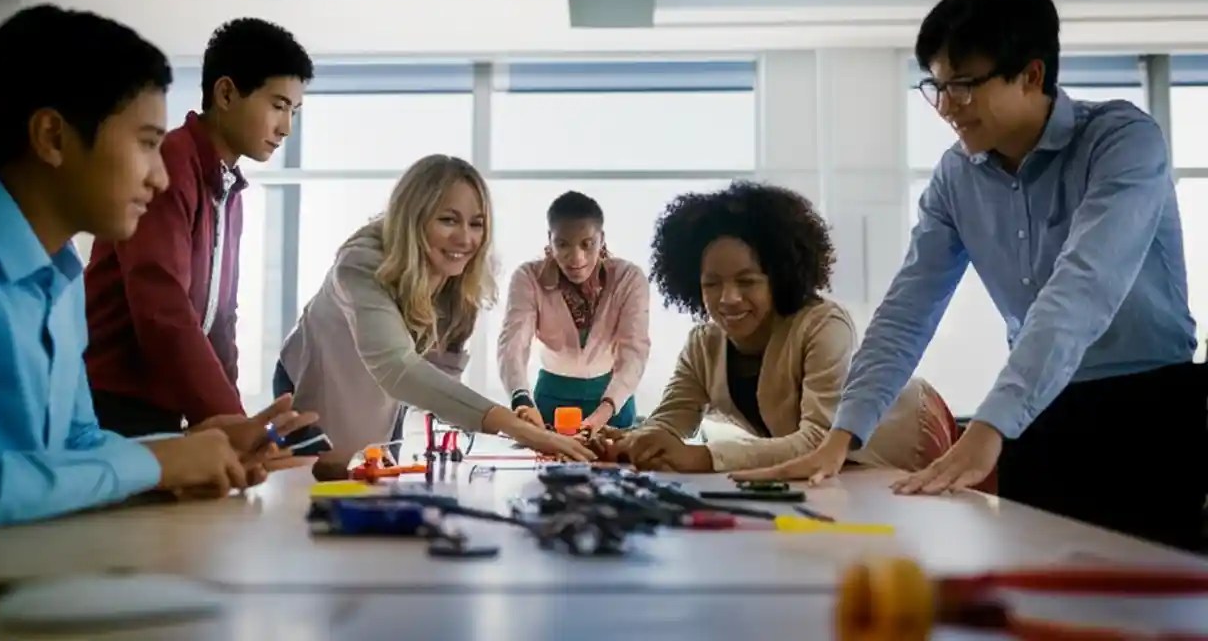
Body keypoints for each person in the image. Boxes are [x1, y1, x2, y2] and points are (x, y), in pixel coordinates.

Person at [740, 0, 1206, 551]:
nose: (945, 108)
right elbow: (908, 310)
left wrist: (989, 424)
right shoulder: (956, 176)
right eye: (935, 87)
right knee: (1032, 588)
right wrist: (843, 435)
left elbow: (1081, 288)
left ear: (1031, 75)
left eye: (962, 86)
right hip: (1039, 412)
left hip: (1148, 407)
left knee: (1154, 598)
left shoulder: (1123, 142)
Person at [0, 5, 300, 537]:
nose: (161, 178)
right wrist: (161, 464)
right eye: (148, 144)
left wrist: (193, 451)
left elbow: (79, 443)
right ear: (53, 137)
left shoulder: (61, 276)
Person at [605, 182, 954, 473]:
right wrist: (630, 443)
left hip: (911, 433)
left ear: (780, 278)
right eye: (711, 284)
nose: (728, 298)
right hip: (839, 471)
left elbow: (820, 438)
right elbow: (670, 420)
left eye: (747, 281)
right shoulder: (704, 344)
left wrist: (702, 458)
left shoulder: (822, 325)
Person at [276, 155, 594, 466]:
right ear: (413, 217)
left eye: (476, 224)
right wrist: (515, 427)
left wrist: (515, 424)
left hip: (385, 400)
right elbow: (397, 368)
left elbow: (438, 379)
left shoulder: (458, 277)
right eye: (448, 220)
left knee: (372, 488)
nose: (465, 238)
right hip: (316, 381)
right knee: (317, 488)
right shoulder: (360, 264)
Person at [84, 18, 314, 437]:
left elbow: (220, 320)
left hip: (160, 405)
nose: (286, 128)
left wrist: (237, 423)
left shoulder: (227, 187)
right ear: (226, 93)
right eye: (278, 106)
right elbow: (162, 306)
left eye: (294, 112)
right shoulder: (171, 161)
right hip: (112, 407)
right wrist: (227, 422)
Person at [497, 191, 651, 432]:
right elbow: (513, 345)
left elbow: (634, 350)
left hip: (613, 402)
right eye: (563, 244)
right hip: (550, 401)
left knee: (616, 468)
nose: (576, 258)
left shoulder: (628, 278)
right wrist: (521, 400)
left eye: (587, 244)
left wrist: (604, 412)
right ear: (550, 240)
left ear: (601, 240)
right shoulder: (528, 278)